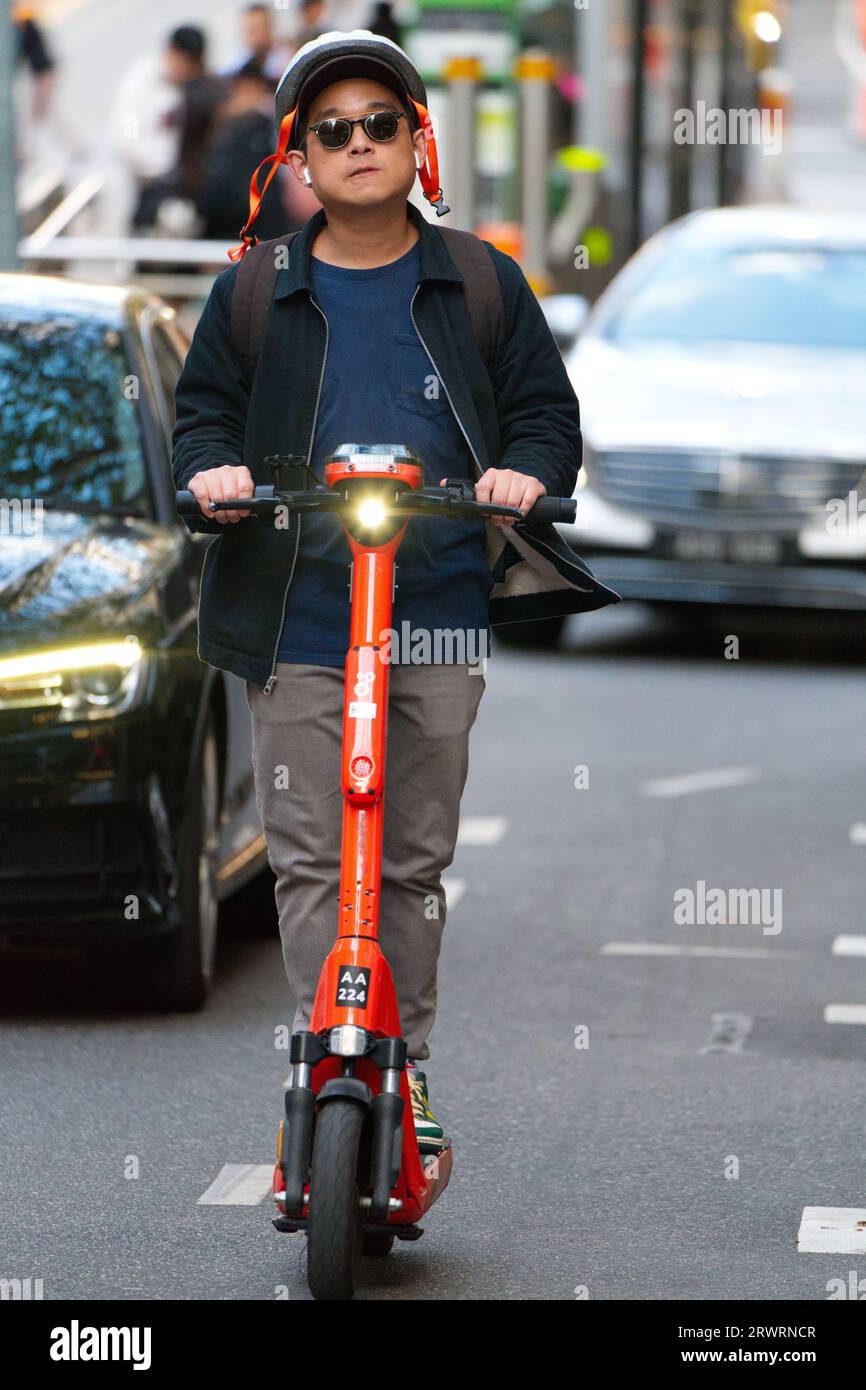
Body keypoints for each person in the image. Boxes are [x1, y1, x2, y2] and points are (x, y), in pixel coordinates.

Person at [171, 31, 587, 1147]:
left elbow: (546, 414)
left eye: (379, 124)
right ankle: (324, 1060)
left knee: (408, 862)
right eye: (331, 131)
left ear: (416, 139)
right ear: (298, 156)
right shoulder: (255, 291)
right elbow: (202, 413)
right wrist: (211, 472)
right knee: (308, 859)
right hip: (297, 618)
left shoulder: (483, 282)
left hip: (437, 614)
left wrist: (524, 474)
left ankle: (403, 1072)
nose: (357, 145)